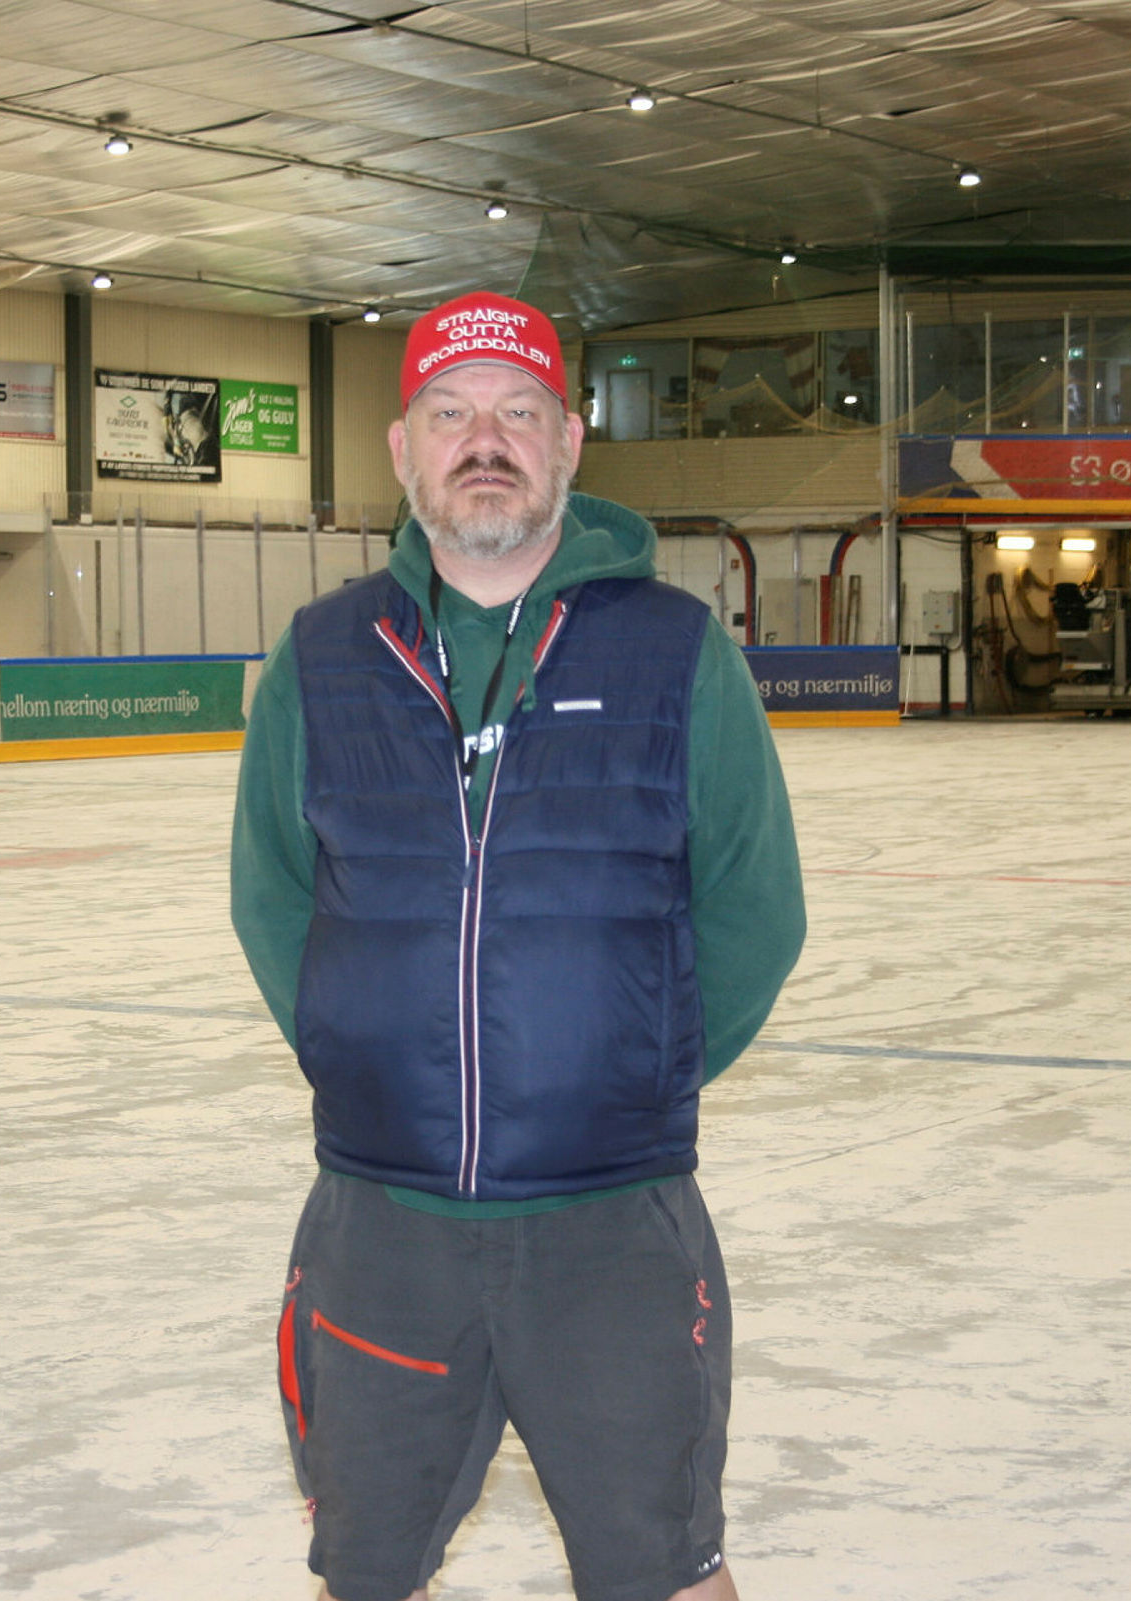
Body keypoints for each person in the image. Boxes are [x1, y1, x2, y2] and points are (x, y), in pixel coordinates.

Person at [231, 291, 804, 1601]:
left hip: (611, 1225)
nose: (483, 439)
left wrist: (622, 1071)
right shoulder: (323, 658)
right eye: (451, 412)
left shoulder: (676, 654)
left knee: (668, 1568)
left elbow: (754, 909)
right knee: (365, 1570)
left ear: (571, 442)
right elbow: (274, 897)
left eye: (517, 412)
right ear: (402, 450)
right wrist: (373, 1053)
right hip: (385, 1221)